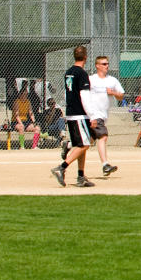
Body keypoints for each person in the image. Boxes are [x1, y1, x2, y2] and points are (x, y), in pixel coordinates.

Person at [52, 45, 95, 188]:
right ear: (85, 57)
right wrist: (92, 116)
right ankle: (62, 167)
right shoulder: (82, 73)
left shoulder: (68, 72)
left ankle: (81, 176)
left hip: (71, 113)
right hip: (79, 114)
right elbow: (84, 96)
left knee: (79, 145)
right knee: (85, 144)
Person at [85, 55, 124, 176]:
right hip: (94, 115)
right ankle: (105, 165)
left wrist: (112, 92)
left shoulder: (112, 80)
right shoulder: (91, 79)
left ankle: (69, 146)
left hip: (103, 115)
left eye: (107, 64)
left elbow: (121, 95)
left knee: (88, 141)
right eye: (104, 64)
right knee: (103, 137)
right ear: (97, 66)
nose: (107, 66)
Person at [10, 80, 41, 149]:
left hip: (25, 121)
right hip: (16, 122)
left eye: (26, 95)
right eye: (23, 95)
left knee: (37, 128)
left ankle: (34, 146)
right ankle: (22, 146)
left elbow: (31, 113)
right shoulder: (17, 102)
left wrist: (34, 122)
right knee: (21, 127)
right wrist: (21, 123)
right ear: (20, 95)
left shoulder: (28, 102)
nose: (25, 96)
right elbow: (16, 115)